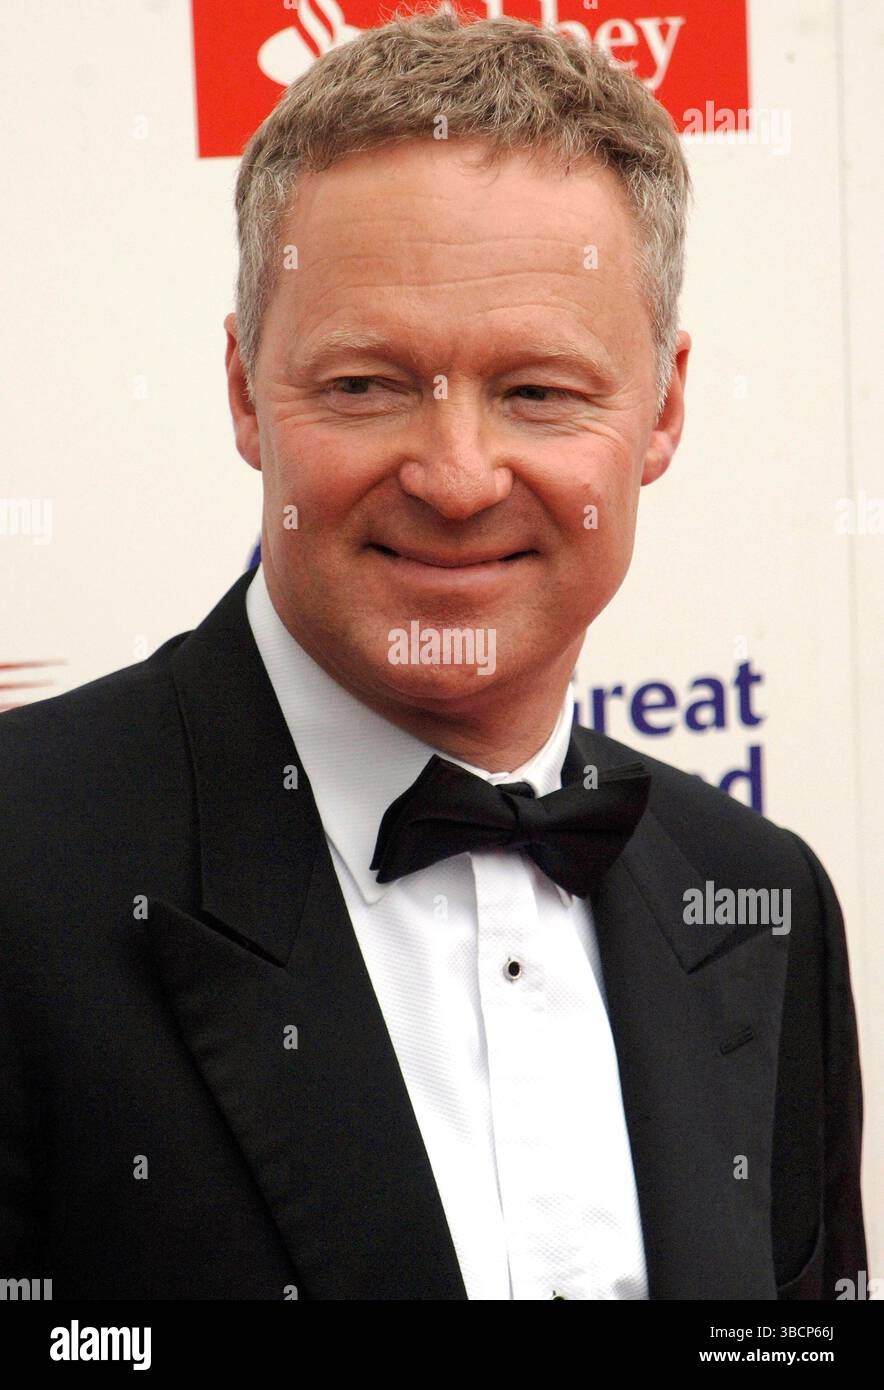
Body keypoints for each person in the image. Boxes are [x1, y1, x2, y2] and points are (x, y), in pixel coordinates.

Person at [0, 7, 865, 1300]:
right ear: (244, 390)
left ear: (665, 408)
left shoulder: (761, 900)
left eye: (538, 392)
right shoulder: (22, 860)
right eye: (366, 385)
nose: (457, 479)